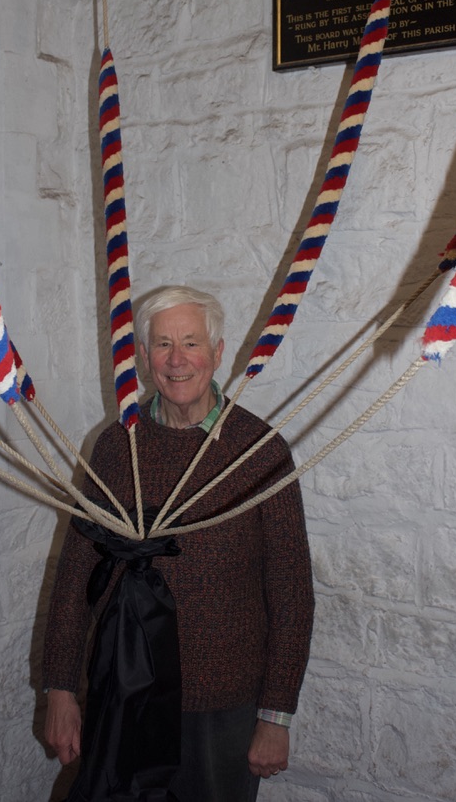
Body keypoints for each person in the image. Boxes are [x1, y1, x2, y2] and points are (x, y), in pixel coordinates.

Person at [42, 286, 314, 802]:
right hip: (125, 691)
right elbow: (77, 574)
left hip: (223, 705)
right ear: (143, 357)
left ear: (217, 352)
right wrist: (60, 687)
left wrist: (276, 715)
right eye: (162, 344)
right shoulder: (116, 446)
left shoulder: (259, 452)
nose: (177, 359)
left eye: (191, 342)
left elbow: (291, 591)